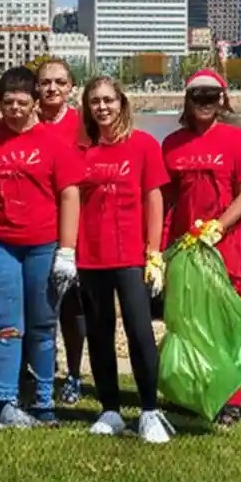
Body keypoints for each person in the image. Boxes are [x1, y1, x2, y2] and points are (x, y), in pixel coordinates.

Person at [0, 67, 83, 428]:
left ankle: (44, 400)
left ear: (35, 103)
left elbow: (69, 194)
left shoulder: (54, 141)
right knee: (5, 324)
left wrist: (67, 251)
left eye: (22, 102)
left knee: (43, 325)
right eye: (7, 102)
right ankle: (3, 399)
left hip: (43, 245)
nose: (14, 109)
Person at [75, 76, 173, 443]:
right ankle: (110, 409)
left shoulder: (144, 146)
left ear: (121, 103)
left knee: (140, 332)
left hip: (131, 256)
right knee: (98, 334)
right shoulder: (80, 150)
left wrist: (154, 251)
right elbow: (72, 203)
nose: (102, 107)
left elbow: (154, 200)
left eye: (108, 101)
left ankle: (149, 411)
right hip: (91, 256)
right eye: (95, 102)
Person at [160, 69, 241, 427]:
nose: (205, 102)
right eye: (197, 96)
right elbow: (166, 199)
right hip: (184, 251)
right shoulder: (171, 144)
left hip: (226, 249)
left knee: (225, 324)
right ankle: (192, 392)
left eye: (212, 96)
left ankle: (230, 399)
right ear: (187, 100)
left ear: (223, 101)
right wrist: (158, 250)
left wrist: (221, 225)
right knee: (188, 323)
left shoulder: (237, 141)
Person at [35, 57, 87, 406]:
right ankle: (38, 370)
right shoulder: (24, 121)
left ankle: (73, 373)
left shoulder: (84, 125)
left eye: (59, 82)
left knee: (72, 306)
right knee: (37, 304)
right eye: (45, 82)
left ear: (71, 87)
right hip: (35, 227)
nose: (52, 88)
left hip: (77, 227)